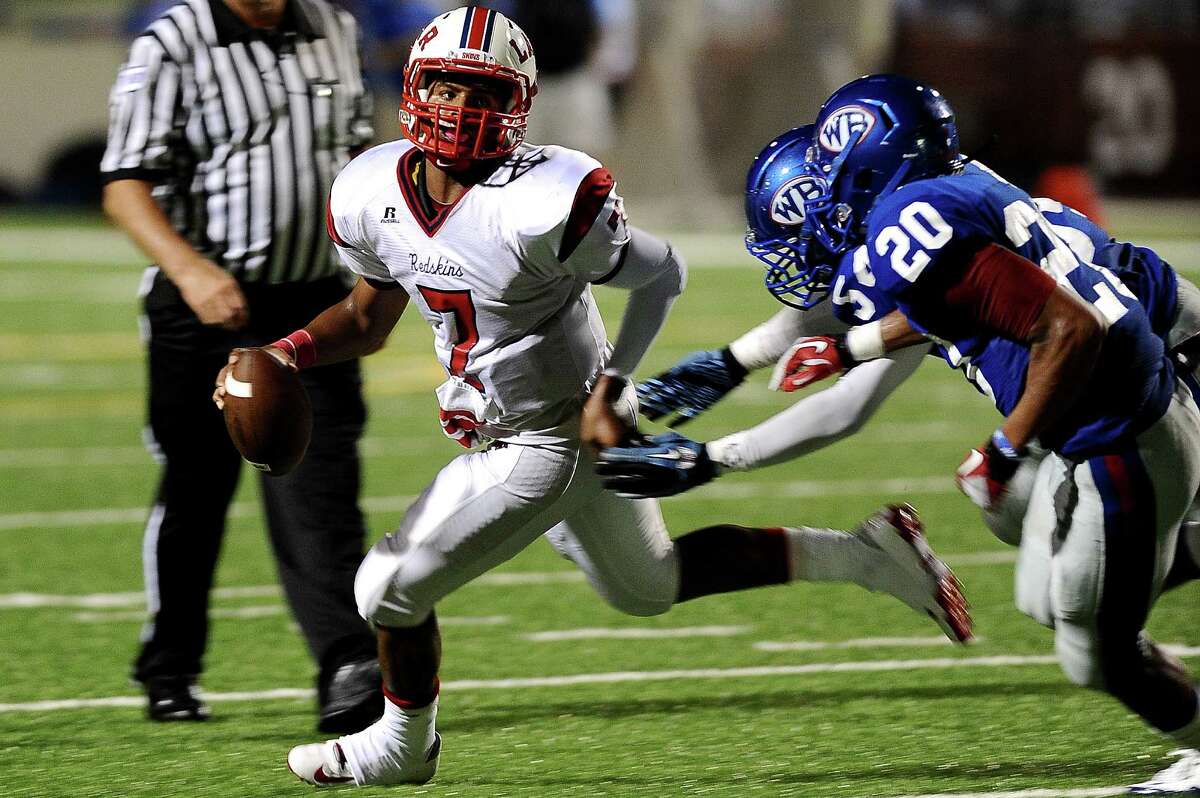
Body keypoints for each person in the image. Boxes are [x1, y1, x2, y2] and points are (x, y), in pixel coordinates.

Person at [211, 9, 970, 787]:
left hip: (556, 434)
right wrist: (286, 351)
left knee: (387, 588)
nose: (463, 110)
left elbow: (662, 273)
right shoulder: (369, 187)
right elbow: (368, 320)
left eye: (485, 94)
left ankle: (401, 748)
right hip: (523, 426)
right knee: (649, 585)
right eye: (448, 87)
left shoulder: (547, 196)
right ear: (414, 86)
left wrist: (613, 384)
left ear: (519, 105)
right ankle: (865, 556)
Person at [743, 75, 1200, 795]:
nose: (829, 193)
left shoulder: (908, 222)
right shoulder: (947, 193)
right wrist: (848, 349)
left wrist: (1005, 447)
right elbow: (968, 297)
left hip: (1118, 421)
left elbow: (1066, 324)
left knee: (1088, 645)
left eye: (835, 171)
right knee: (1041, 594)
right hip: (1120, 409)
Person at [100, 0, 382, 731]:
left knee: (323, 488)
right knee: (196, 489)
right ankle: (171, 668)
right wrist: (190, 273)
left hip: (312, 306)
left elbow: (358, 160)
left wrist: (370, 275)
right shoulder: (174, 41)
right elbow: (124, 183)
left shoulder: (336, 29)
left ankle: (348, 667)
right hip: (203, 304)